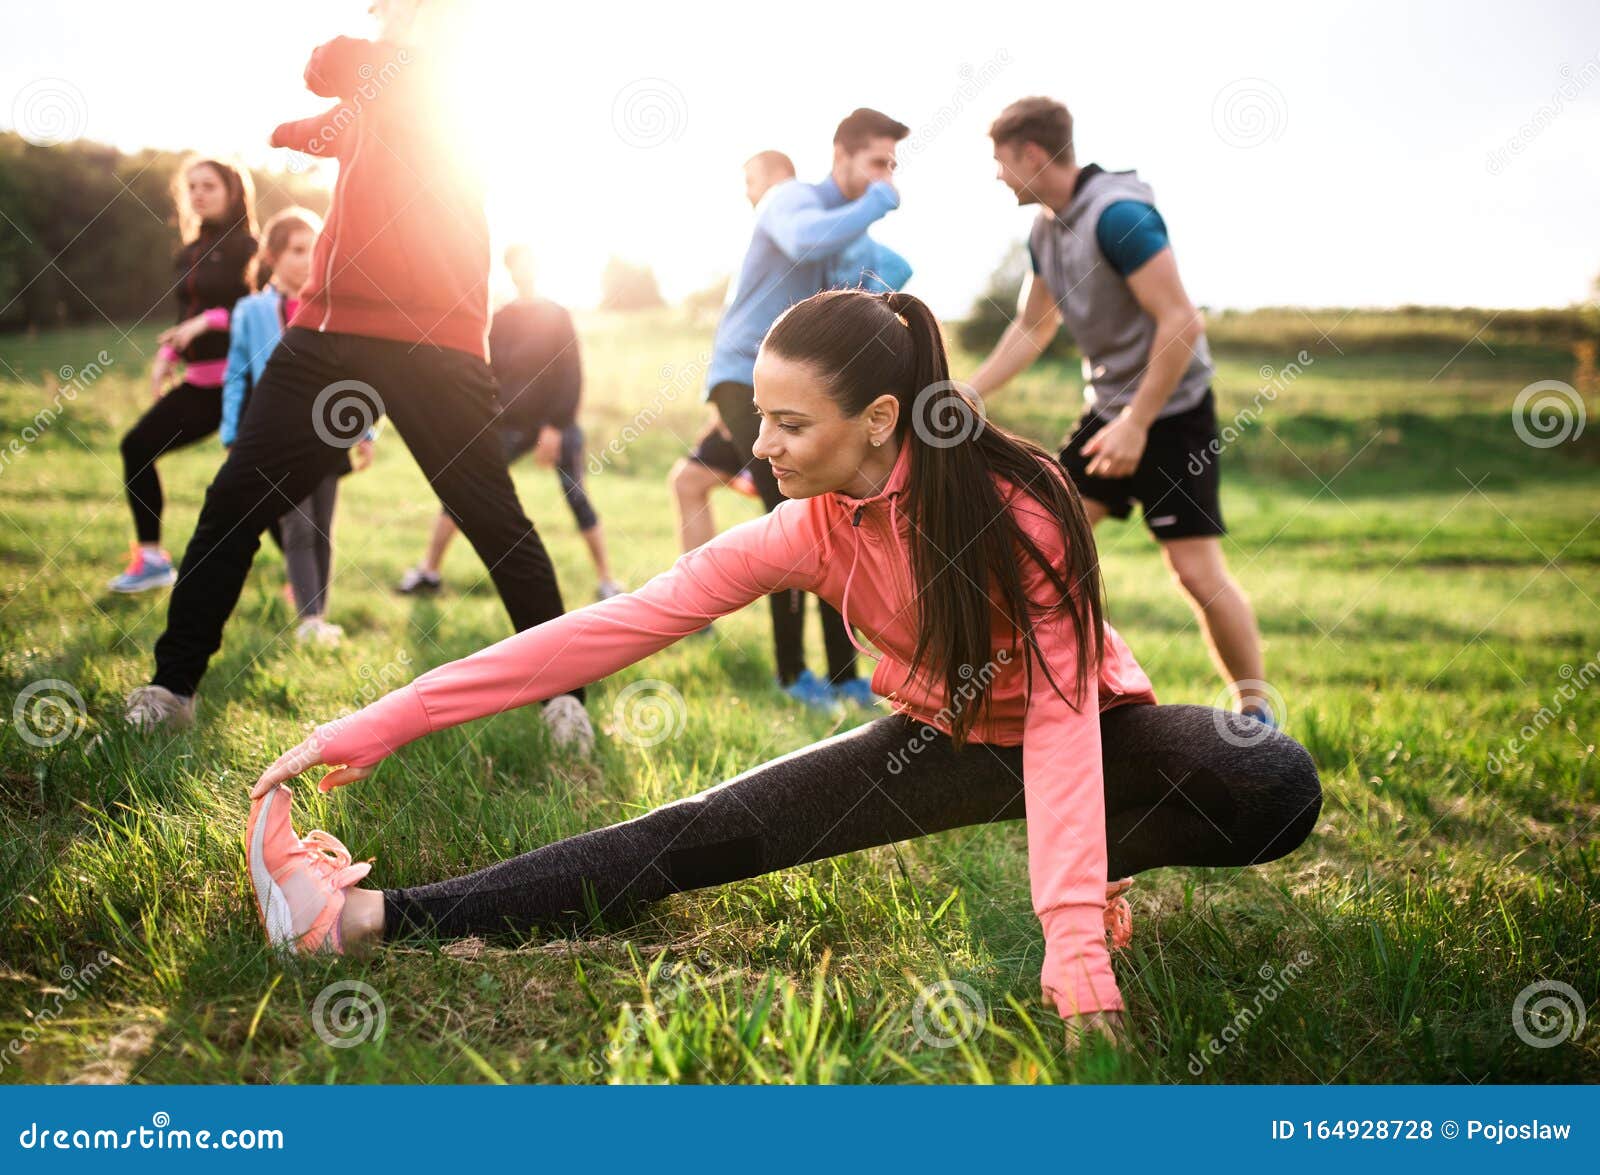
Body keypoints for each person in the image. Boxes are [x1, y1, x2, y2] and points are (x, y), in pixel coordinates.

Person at [244, 289, 1323, 1050]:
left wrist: (1074, 941)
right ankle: (356, 918)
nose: (761, 443)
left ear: (879, 419)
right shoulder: (804, 527)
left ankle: (1079, 861)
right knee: (678, 836)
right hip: (934, 743)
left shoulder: (1021, 506)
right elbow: (613, 627)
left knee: (1267, 777)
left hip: (1086, 732)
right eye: (760, 414)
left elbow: (1055, 716)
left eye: (788, 421)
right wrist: (374, 723)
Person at [123, 0, 593, 757]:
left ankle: (564, 695)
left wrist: (378, 46)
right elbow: (330, 121)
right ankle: (173, 687)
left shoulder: (440, 76)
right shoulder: (378, 92)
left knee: (490, 515)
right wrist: (289, 135)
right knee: (238, 492)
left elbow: (329, 62)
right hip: (330, 331)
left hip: (435, 339)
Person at [967, 97, 1275, 724]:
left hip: (1172, 413)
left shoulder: (1119, 216)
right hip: (1110, 412)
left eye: (1001, 160)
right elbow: (1034, 325)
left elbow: (1181, 321)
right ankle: (1055, 697)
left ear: (1031, 154)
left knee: (1194, 571)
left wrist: (1137, 421)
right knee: (1037, 541)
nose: (997, 175)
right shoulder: (1046, 230)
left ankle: (1256, 712)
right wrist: (973, 390)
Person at [704, 124, 910, 712]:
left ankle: (845, 677)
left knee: (830, 517)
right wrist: (874, 204)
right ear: (840, 156)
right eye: (876, 163)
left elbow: (895, 269)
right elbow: (804, 243)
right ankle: (792, 674)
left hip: (805, 389)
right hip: (746, 377)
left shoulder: (846, 230)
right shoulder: (791, 199)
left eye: (892, 167)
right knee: (792, 523)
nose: (885, 179)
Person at [396, 246, 621, 601]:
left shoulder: (557, 316)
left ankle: (607, 581)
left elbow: (570, 375)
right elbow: (488, 372)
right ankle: (429, 571)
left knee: (576, 496)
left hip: (556, 424)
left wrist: (555, 426)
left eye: (531, 262)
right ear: (509, 270)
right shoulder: (500, 319)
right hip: (509, 425)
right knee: (465, 489)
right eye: (518, 264)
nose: (525, 270)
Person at [221, 206, 375, 647]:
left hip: (328, 433)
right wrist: (232, 434)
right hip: (276, 436)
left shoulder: (330, 309)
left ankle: (318, 616)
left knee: (323, 525)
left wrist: (364, 429)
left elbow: (353, 375)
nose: (309, 260)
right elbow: (236, 375)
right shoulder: (251, 311)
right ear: (272, 256)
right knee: (298, 525)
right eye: (298, 250)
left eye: (316, 250)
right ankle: (309, 620)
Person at [109, 157, 257, 593]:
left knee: (257, 481)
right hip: (198, 384)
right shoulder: (188, 253)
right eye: (191, 186)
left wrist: (208, 321)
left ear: (232, 192)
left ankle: (304, 588)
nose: (198, 194)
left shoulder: (249, 248)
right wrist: (168, 354)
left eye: (209, 186)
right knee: (136, 446)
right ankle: (152, 560)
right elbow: (185, 314)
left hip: (240, 384)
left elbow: (262, 313)